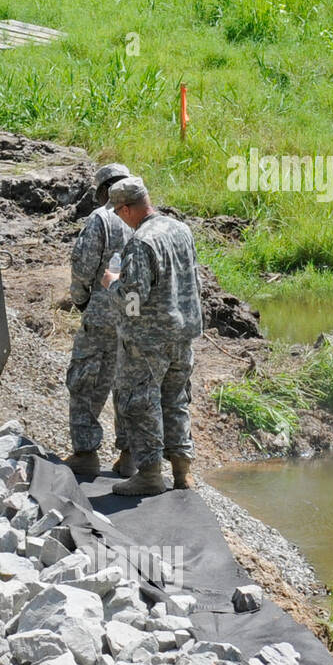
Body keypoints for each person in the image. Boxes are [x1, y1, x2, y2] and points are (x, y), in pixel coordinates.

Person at [100, 176, 203, 496]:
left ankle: (149, 474)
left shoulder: (140, 243)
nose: (118, 218)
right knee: (175, 398)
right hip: (182, 332)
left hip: (149, 340)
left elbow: (133, 299)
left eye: (118, 212)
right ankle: (182, 471)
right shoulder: (180, 229)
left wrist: (111, 284)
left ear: (129, 209)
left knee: (141, 402)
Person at [65, 163, 135, 478]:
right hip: (135, 315)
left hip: (103, 312)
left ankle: (85, 453)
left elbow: (83, 264)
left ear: (103, 190)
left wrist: (81, 299)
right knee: (127, 383)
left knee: (85, 380)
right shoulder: (144, 220)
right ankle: (129, 456)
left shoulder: (102, 219)